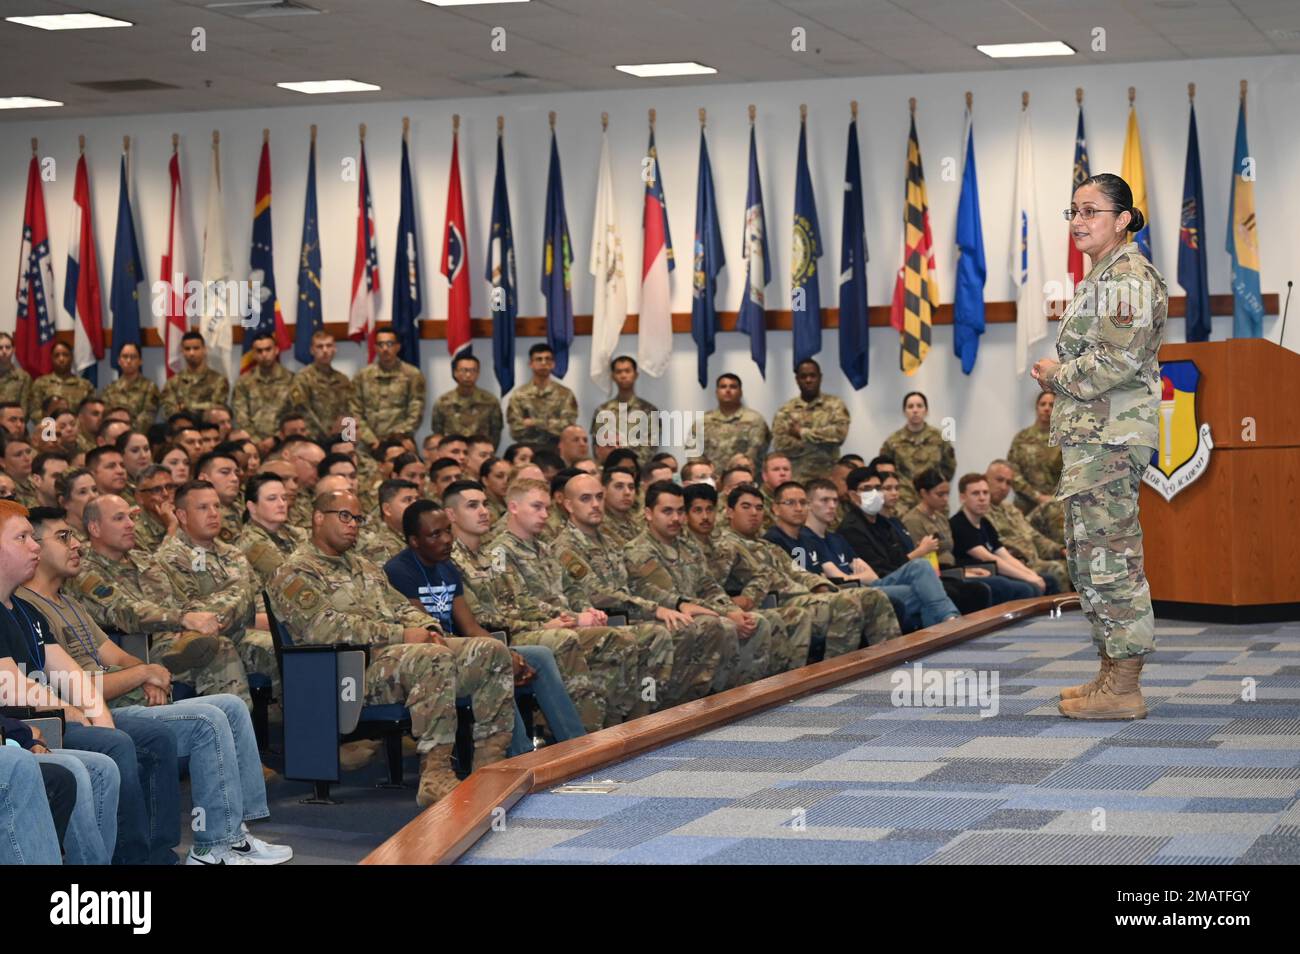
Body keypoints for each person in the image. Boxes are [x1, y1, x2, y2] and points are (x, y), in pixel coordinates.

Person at [22, 507, 292, 865]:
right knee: (208, 720)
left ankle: (233, 832)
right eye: (63, 537)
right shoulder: (29, 609)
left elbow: (117, 656)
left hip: (113, 699)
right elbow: (73, 688)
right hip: (90, 712)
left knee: (230, 704)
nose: (76, 546)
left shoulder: (68, 603)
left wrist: (145, 671)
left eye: (73, 536)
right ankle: (214, 845)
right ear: (35, 548)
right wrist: (142, 675)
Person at [268, 489, 514, 808]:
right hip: (346, 673)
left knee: (490, 650)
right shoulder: (294, 573)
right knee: (432, 657)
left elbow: (401, 606)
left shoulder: (364, 566)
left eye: (357, 518)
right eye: (344, 516)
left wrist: (426, 627)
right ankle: (435, 774)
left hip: (399, 661)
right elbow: (322, 628)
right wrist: (401, 635)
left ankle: (488, 764)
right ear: (318, 518)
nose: (353, 524)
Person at [1032, 171, 1166, 720]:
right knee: (1090, 555)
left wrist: (1056, 375)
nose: (1079, 222)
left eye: (1091, 212)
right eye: (1074, 212)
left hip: (1110, 437)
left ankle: (1126, 686)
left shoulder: (1127, 278)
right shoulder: (1103, 276)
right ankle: (1111, 672)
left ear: (1124, 220)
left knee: (1112, 557)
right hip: (1094, 438)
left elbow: (1118, 360)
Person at [0, 499, 180, 865]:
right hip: (22, 725)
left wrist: (97, 715)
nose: (34, 545)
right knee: (102, 756)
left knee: (120, 743)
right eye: (22, 538)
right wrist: (75, 713)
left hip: (40, 721)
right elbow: (11, 685)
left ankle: (151, 857)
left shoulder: (25, 610)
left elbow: (70, 673)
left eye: (34, 538)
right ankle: (127, 861)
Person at [384, 500, 586, 756]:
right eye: (436, 534)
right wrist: (499, 655)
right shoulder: (399, 571)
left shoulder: (447, 568)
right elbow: (427, 632)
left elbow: (470, 626)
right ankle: (521, 756)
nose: (447, 539)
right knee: (494, 662)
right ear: (414, 541)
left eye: (448, 530)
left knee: (540, 656)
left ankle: (577, 746)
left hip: (466, 649)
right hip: (432, 660)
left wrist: (506, 651)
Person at [445, 480, 609, 732]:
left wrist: (567, 617)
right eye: (473, 505)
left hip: (522, 628)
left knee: (610, 638)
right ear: (451, 514)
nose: (483, 511)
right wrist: (545, 624)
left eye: (486, 504)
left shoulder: (491, 558)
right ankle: (581, 737)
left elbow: (519, 602)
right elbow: (483, 620)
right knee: (565, 640)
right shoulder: (451, 561)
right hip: (493, 640)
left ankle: (607, 727)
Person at [483, 478, 644, 727]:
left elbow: (571, 589)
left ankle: (612, 723)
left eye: (547, 508)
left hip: (562, 623)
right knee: (570, 640)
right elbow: (515, 603)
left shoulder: (545, 549)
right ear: (513, 507)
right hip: (528, 631)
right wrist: (576, 618)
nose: (545, 514)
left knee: (623, 639)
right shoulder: (499, 553)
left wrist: (586, 610)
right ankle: (580, 733)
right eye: (536, 507)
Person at [555, 473, 724, 707]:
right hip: (600, 623)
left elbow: (638, 584)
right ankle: (646, 712)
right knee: (662, 633)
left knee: (699, 622)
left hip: (628, 616)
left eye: (599, 497)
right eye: (585, 498)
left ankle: (680, 704)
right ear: (568, 504)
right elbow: (597, 593)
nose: (595, 504)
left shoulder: (609, 541)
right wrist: (655, 610)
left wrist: (677, 604)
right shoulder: (565, 548)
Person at [74, 493, 252, 706]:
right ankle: (232, 732)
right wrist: (184, 619)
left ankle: (226, 729)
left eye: (131, 518)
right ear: (95, 528)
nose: (131, 524)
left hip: (180, 638)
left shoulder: (144, 560)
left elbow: (183, 599)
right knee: (221, 648)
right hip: (137, 651)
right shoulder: (85, 572)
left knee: (235, 594)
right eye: (119, 518)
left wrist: (204, 617)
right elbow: (125, 612)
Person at [717, 482, 900, 657]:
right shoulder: (725, 545)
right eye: (746, 507)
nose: (754, 513)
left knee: (874, 596)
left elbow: (797, 572)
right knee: (847, 603)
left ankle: (888, 662)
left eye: (758, 508)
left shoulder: (767, 546)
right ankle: (836, 673)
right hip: (777, 603)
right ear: (730, 512)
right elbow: (715, 586)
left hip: (803, 596)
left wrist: (821, 587)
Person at [625, 481, 774, 690]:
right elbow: (673, 597)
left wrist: (732, 609)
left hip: (700, 614)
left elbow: (709, 586)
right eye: (667, 511)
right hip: (666, 619)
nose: (676, 518)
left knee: (757, 622)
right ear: (649, 514)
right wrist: (726, 614)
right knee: (725, 626)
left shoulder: (688, 547)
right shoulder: (639, 551)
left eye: (679, 511)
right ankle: (703, 700)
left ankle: (744, 695)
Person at [139, 480, 275, 697]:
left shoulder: (232, 553)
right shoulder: (169, 558)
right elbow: (192, 614)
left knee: (278, 648)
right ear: (182, 516)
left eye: (216, 506)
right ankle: (232, 728)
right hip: (180, 645)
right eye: (203, 508)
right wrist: (242, 603)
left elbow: (258, 598)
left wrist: (256, 616)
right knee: (220, 649)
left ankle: (293, 725)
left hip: (236, 632)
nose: (213, 513)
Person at [771, 477, 957, 632]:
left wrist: (853, 576)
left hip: (871, 584)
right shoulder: (804, 538)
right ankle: (943, 629)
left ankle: (947, 622)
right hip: (849, 592)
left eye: (835, 501)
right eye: (825, 500)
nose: (832, 506)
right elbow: (834, 579)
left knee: (921, 567)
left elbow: (871, 575)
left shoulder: (835, 538)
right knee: (922, 592)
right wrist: (854, 576)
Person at [949, 473, 1048, 604]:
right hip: (974, 576)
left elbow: (1004, 555)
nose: (982, 498)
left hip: (992, 572)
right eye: (975, 493)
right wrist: (1027, 577)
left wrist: (1031, 574)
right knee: (1026, 589)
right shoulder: (958, 524)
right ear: (962, 498)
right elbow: (989, 558)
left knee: (1047, 580)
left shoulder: (985, 523)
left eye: (985, 493)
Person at [984, 459, 1070, 593]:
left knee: (1074, 564)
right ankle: (1064, 611)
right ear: (986, 479)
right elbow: (992, 549)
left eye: (1008, 483)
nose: (1004, 487)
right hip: (1015, 566)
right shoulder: (981, 513)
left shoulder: (1010, 509)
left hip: (1035, 561)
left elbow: (1035, 537)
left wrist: (1061, 550)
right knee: (1056, 569)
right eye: (999, 480)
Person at [286, 330, 375, 444]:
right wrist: (327, 436)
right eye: (320, 347)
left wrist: (349, 439)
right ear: (312, 350)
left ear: (335, 349)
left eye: (329, 346)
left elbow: (349, 411)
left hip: (341, 439)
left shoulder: (342, 379)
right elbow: (303, 412)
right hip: (314, 440)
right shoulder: (303, 378)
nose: (325, 351)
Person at [771, 359, 850, 482]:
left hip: (829, 476)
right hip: (797, 478)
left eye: (813, 376)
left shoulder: (835, 405)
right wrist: (823, 443)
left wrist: (802, 433)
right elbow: (780, 445)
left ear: (820, 377)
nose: (808, 380)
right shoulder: (786, 411)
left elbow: (839, 434)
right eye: (803, 376)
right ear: (797, 380)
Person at [880, 391, 956, 513]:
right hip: (903, 502)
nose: (915, 410)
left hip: (933, 500)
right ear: (904, 412)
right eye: (910, 407)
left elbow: (949, 467)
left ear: (926, 411)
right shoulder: (893, 441)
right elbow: (884, 472)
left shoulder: (940, 439)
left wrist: (937, 486)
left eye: (919, 406)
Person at [354, 328, 426, 440]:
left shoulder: (413, 375)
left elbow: (416, 413)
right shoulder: (362, 376)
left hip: (400, 441)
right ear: (375, 348)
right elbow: (354, 411)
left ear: (398, 347)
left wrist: (397, 436)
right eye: (380, 344)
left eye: (390, 344)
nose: (385, 349)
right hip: (367, 444)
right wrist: (370, 440)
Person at [590, 356, 660, 465]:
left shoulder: (649, 411)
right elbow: (598, 446)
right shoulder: (602, 411)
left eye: (627, 371)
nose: (623, 375)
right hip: (609, 470)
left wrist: (630, 466)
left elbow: (651, 447)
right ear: (613, 376)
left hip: (638, 470)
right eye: (619, 372)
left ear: (635, 375)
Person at [231, 333, 293, 453]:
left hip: (284, 444)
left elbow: (294, 414)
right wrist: (256, 440)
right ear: (253, 354)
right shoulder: (244, 382)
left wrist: (276, 438)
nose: (264, 355)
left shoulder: (291, 379)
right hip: (252, 446)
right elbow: (241, 416)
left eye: (268, 349)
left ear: (276, 350)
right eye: (259, 351)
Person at [506, 343, 578, 447]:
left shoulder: (565, 394)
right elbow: (515, 430)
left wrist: (534, 422)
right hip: (527, 450)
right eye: (539, 359)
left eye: (548, 359)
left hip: (557, 450)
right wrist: (552, 424)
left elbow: (568, 428)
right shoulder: (519, 395)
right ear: (530, 364)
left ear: (553, 364)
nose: (544, 363)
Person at [429, 352, 503, 449]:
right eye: (464, 370)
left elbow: (495, 432)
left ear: (478, 373)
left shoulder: (490, 401)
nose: (468, 375)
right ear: (455, 372)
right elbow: (438, 432)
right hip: (452, 454)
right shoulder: (443, 402)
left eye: (473, 370)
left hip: (481, 454)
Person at [701, 373, 770, 471]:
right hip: (711, 480)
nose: (728, 390)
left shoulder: (754, 420)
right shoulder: (704, 421)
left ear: (741, 392)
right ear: (717, 392)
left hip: (745, 479)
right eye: (723, 387)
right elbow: (694, 453)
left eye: (733, 387)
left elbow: (756, 452)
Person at [159, 332, 230, 420]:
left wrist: (184, 407)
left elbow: (217, 410)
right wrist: (203, 407)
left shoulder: (219, 380)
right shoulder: (172, 382)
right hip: (181, 429)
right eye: (187, 349)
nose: (191, 353)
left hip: (210, 430)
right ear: (182, 351)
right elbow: (168, 412)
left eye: (196, 348)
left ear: (204, 349)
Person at [28, 341, 94, 430]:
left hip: (78, 433)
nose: (61, 359)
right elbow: (34, 411)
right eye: (57, 355)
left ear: (71, 358)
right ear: (51, 358)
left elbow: (89, 413)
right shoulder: (40, 383)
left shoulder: (85, 385)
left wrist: (72, 425)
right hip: (50, 432)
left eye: (65, 355)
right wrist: (53, 425)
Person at [355, 478, 421, 566]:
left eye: (417, 499)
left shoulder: (419, 535)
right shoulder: (374, 543)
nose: (415, 504)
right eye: (408, 500)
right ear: (387, 509)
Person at [99, 343, 160, 435]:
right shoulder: (109, 389)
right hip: (113, 438)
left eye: (133, 357)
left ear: (140, 361)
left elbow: (147, 418)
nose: (128, 360)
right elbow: (105, 417)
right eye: (125, 356)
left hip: (138, 438)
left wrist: (124, 434)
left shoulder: (150, 387)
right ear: (119, 361)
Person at [0, 331, 33, 420]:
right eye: (0, 348)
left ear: (13, 349)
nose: (4, 351)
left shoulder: (23, 377)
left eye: (8, 347)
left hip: (15, 427)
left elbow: (24, 410)